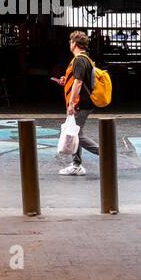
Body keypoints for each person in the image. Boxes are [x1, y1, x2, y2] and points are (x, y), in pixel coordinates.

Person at [58, 30, 99, 176]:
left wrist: (71, 103)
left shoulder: (79, 59)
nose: (70, 44)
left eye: (70, 42)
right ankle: (76, 164)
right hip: (82, 102)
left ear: (74, 43)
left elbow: (79, 82)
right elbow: (77, 78)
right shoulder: (84, 59)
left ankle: (106, 153)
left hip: (81, 103)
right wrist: (66, 79)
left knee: (75, 134)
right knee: (76, 132)